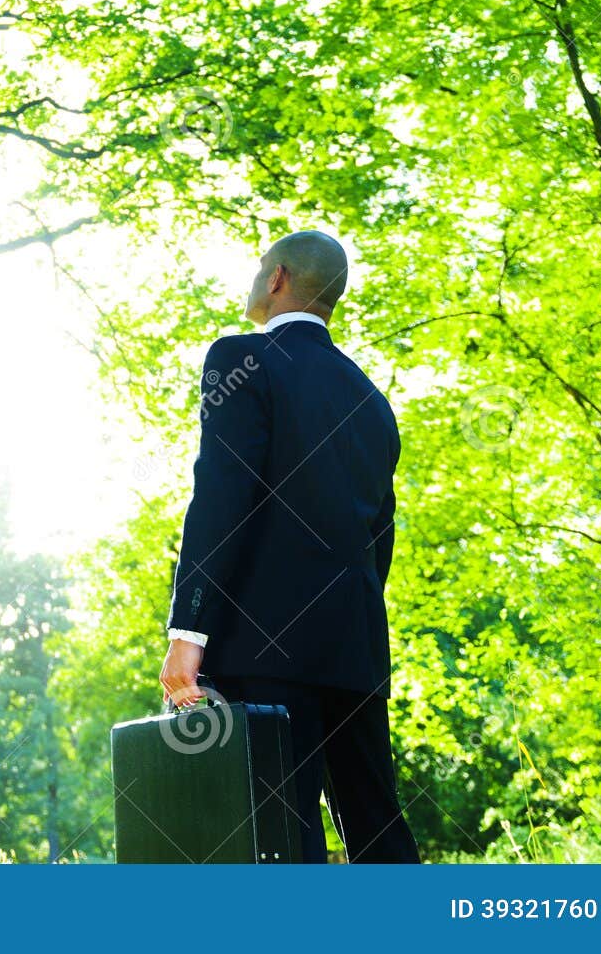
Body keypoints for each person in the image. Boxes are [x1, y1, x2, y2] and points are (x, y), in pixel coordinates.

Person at [158, 230, 420, 863]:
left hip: (263, 650)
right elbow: (378, 538)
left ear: (276, 278)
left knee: (282, 839)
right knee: (379, 829)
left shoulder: (239, 360)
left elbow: (222, 499)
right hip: (355, 649)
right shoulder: (372, 401)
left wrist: (187, 634)